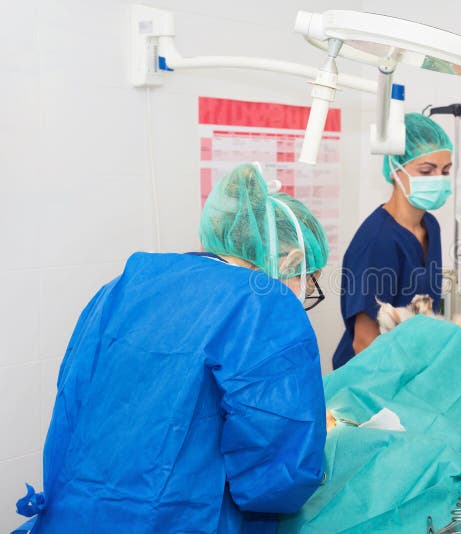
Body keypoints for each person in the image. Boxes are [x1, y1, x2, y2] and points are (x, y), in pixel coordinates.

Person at [14, 163, 329, 533]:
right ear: (290, 261)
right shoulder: (265, 304)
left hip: (78, 515)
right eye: (308, 284)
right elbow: (277, 476)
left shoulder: (124, 286)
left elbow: (71, 405)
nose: (302, 297)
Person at [332, 112, 453, 369]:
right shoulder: (377, 240)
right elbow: (364, 342)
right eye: (426, 170)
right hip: (370, 378)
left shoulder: (431, 226)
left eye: (445, 170)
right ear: (396, 170)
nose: (439, 179)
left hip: (410, 365)